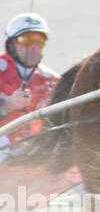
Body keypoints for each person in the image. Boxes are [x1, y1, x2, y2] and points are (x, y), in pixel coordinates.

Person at [0, 13, 59, 163]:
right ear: (12, 44)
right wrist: (7, 106)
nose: (34, 47)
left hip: (34, 150)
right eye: (27, 40)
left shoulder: (51, 80)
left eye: (40, 42)